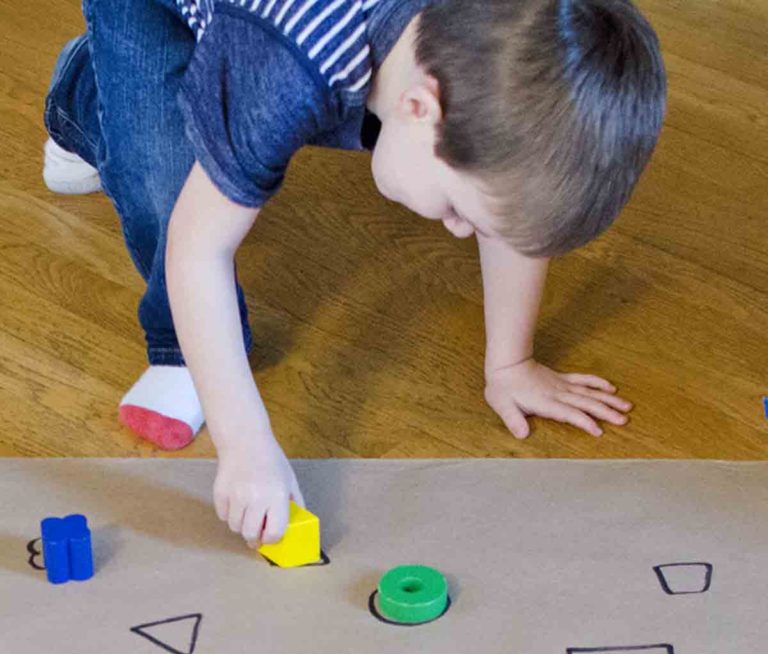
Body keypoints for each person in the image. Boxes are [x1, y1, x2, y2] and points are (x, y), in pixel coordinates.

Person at [43, 0, 666, 544]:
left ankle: (197, 85)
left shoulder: (491, 48)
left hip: (292, 42)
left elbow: (510, 196)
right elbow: (196, 249)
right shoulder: (289, 64)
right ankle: (83, 91)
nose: (454, 228)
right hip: (173, 10)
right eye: (457, 209)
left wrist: (510, 362)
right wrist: (246, 447)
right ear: (421, 105)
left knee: (310, 114)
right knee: (162, 175)